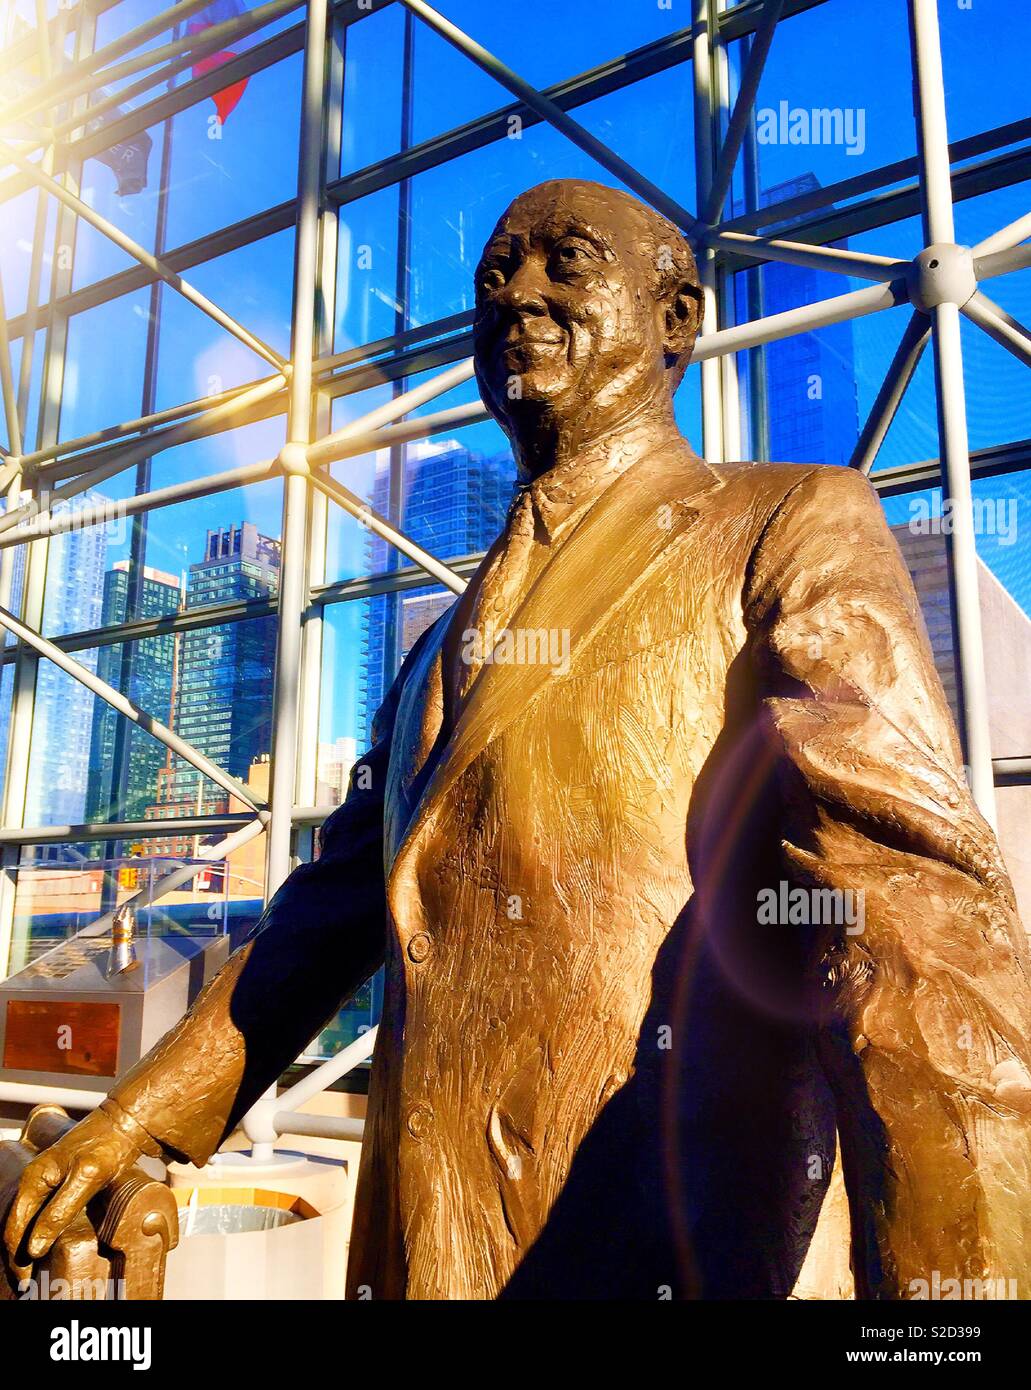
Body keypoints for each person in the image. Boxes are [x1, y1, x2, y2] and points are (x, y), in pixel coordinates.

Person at [7, 180, 1030, 1300]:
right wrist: (142, 1114)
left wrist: (949, 1296)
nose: (517, 297)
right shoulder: (437, 644)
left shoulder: (782, 524)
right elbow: (325, 916)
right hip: (414, 1254)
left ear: (675, 318)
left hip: (655, 1253)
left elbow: (910, 913)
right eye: (493, 274)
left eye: (563, 263)